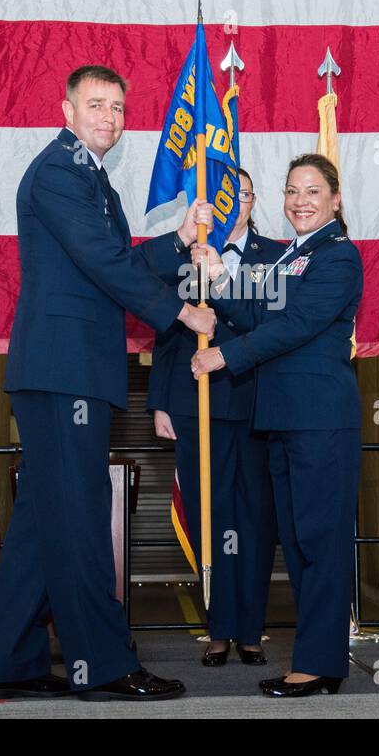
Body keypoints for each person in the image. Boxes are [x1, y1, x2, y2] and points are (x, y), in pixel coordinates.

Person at [0, 65, 216, 702]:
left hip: (71, 370)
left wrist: (179, 240)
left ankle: (10, 662)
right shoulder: (59, 171)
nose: (108, 116)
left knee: (42, 522)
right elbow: (106, 264)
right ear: (67, 109)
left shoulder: (91, 178)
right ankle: (103, 666)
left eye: (116, 106)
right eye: (95, 105)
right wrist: (181, 312)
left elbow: (121, 260)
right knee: (82, 519)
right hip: (63, 372)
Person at [190, 153, 363, 697]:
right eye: (291, 191)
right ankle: (317, 660)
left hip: (320, 423)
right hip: (285, 422)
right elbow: (263, 314)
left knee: (320, 544)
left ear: (335, 199)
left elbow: (294, 326)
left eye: (312, 191)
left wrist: (224, 357)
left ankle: (318, 665)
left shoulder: (338, 257)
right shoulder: (293, 256)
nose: (300, 201)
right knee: (299, 542)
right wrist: (218, 277)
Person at [146, 170, 282, 666]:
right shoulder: (185, 256)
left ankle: (251, 628)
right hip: (195, 400)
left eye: (243, 193)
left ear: (252, 200)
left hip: (253, 403)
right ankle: (218, 627)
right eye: (226, 194)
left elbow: (270, 321)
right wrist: (160, 400)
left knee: (255, 518)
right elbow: (166, 329)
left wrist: (221, 277)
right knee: (210, 517)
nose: (235, 201)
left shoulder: (274, 256)